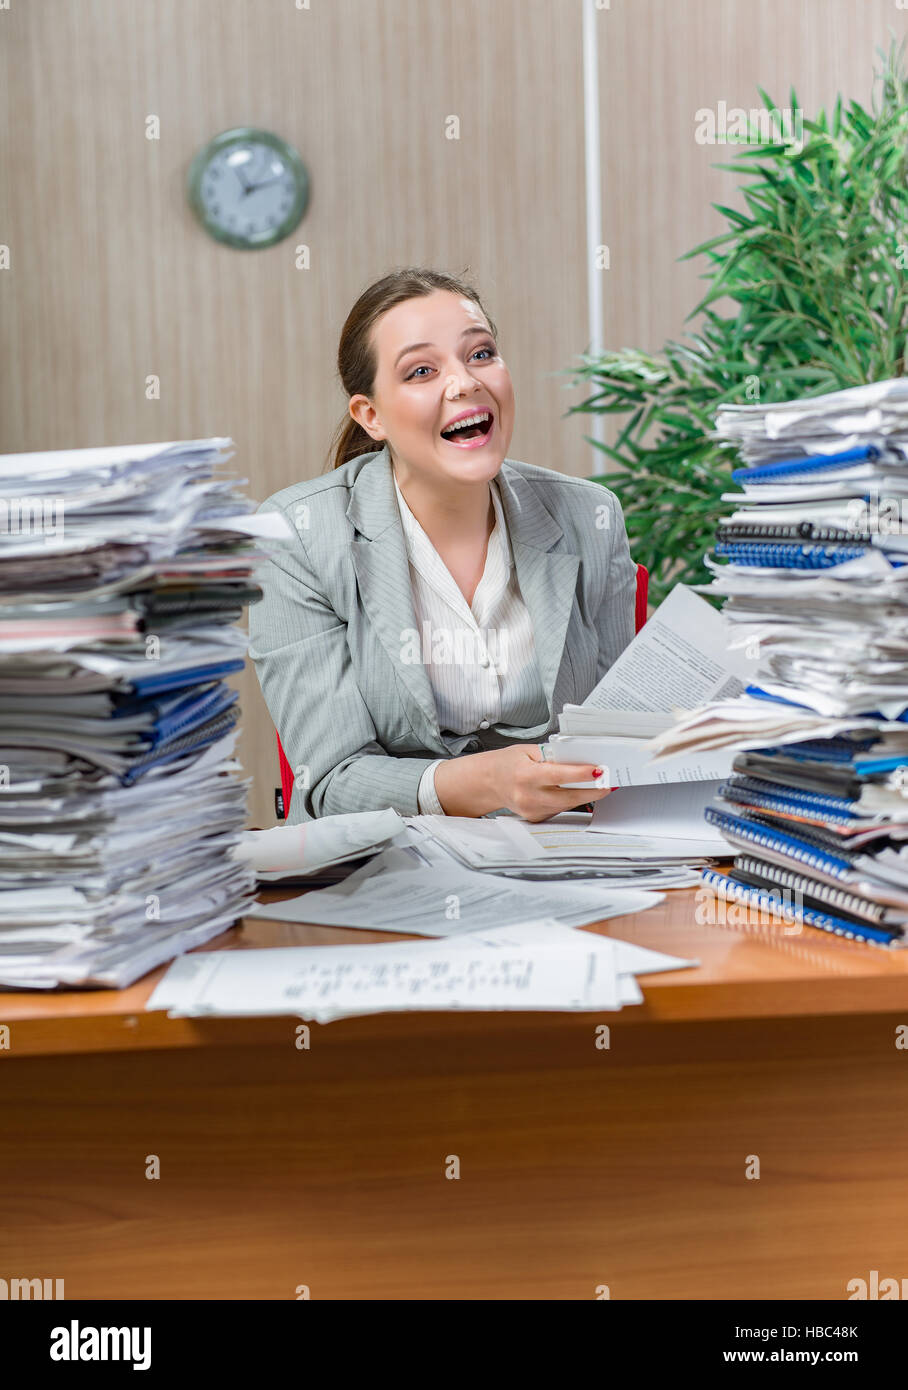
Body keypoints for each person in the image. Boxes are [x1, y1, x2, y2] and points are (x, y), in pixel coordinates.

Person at [248, 267, 637, 824]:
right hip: (386, 871)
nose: (465, 382)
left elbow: (618, 736)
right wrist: (484, 782)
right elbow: (330, 783)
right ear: (371, 415)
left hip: (569, 854)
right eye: (422, 370)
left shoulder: (589, 516)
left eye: (480, 355)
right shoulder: (297, 536)